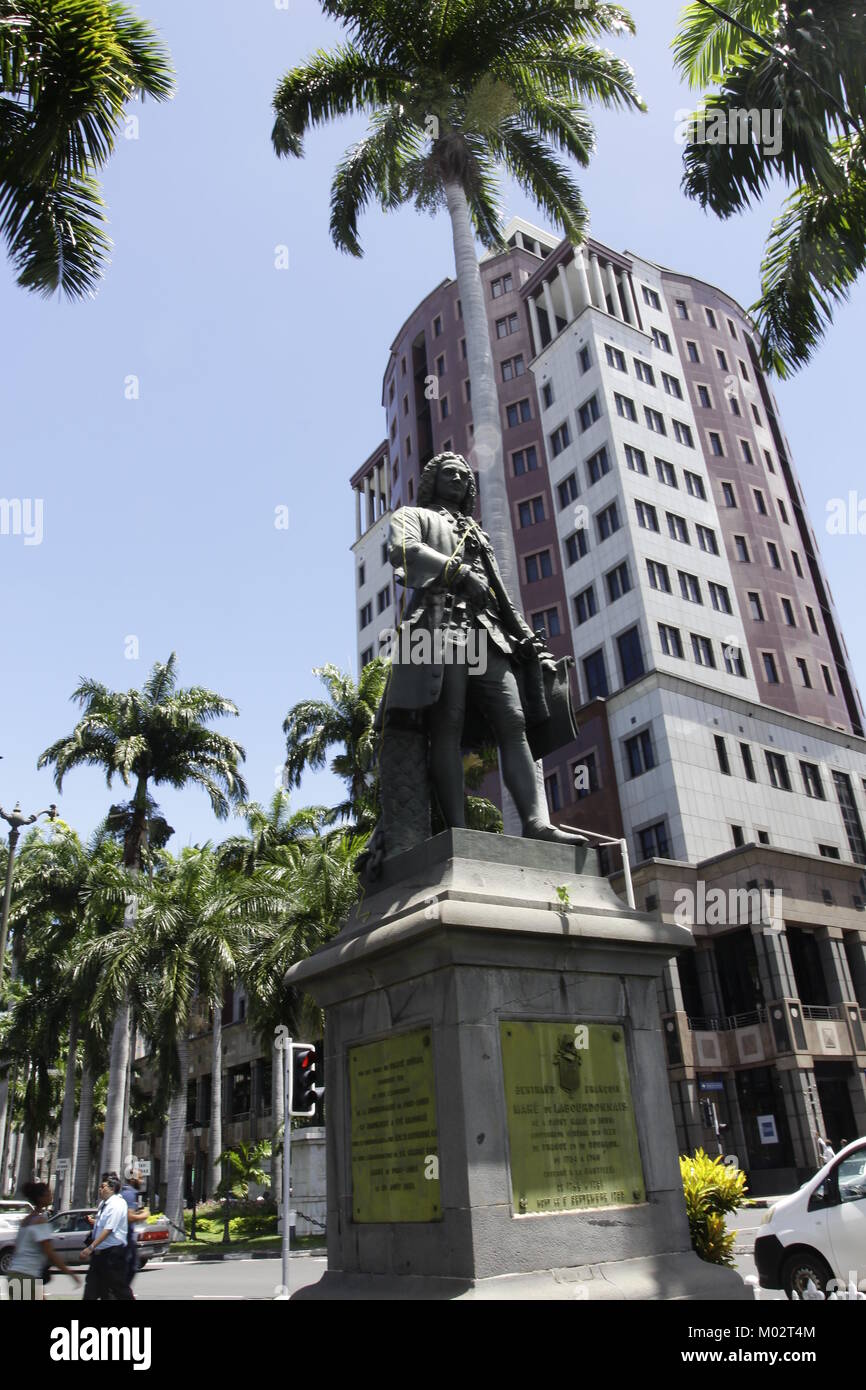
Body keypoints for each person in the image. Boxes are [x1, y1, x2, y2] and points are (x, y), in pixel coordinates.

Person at [383, 452, 587, 844]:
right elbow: (404, 552)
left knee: (514, 720)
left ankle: (535, 823)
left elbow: (501, 593)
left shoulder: (477, 532)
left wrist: (527, 639)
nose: (459, 478)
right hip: (440, 629)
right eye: (449, 473)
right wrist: (455, 571)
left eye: (464, 474)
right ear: (432, 481)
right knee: (448, 724)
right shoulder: (413, 516)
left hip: (489, 634)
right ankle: (459, 832)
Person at [8, 1180, 81, 1300]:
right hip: (26, 1276)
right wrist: (71, 1273)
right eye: (48, 1193)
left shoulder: (26, 1220)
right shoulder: (40, 1221)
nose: (51, 1196)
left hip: (16, 1274)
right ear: (40, 1198)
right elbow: (50, 1252)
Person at [81, 1171, 133, 1301]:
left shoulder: (117, 1204)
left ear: (112, 1188)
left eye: (103, 1186)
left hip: (112, 1254)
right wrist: (93, 1222)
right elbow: (103, 1225)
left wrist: (90, 1248)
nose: (100, 1189)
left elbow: (109, 1229)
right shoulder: (104, 1204)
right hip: (99, 1255)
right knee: (92, 1289)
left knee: (119, 1289)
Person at [120, 1167, 149, 1292]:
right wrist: (144, 1215)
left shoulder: (127, 1193)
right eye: (140, 1178)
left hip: (127, 1239)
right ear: (133, 1179)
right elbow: (129, 1217)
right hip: (125, 1240)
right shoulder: (129, 1194)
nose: (142, 1181)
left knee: (132, 1266)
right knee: (130, 1268)